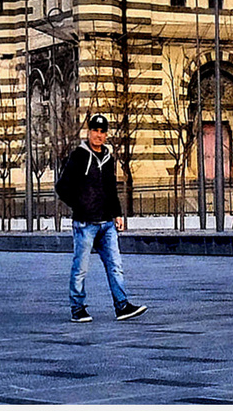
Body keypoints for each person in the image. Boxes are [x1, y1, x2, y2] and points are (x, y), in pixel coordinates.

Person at [54, 113, 147, 323]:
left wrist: (117, 214)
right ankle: (77, 308)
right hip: (85, 223)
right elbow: (62, 187)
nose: (98, 135)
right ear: (88, 132)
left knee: (115, 266)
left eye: (102, 131)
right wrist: (81, 205)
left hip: (106, 224)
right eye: (95, 130)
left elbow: (111, 189)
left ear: (106, 134)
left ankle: (122, 306)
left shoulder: (108, 158)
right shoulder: (78, 156)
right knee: (80, 268)